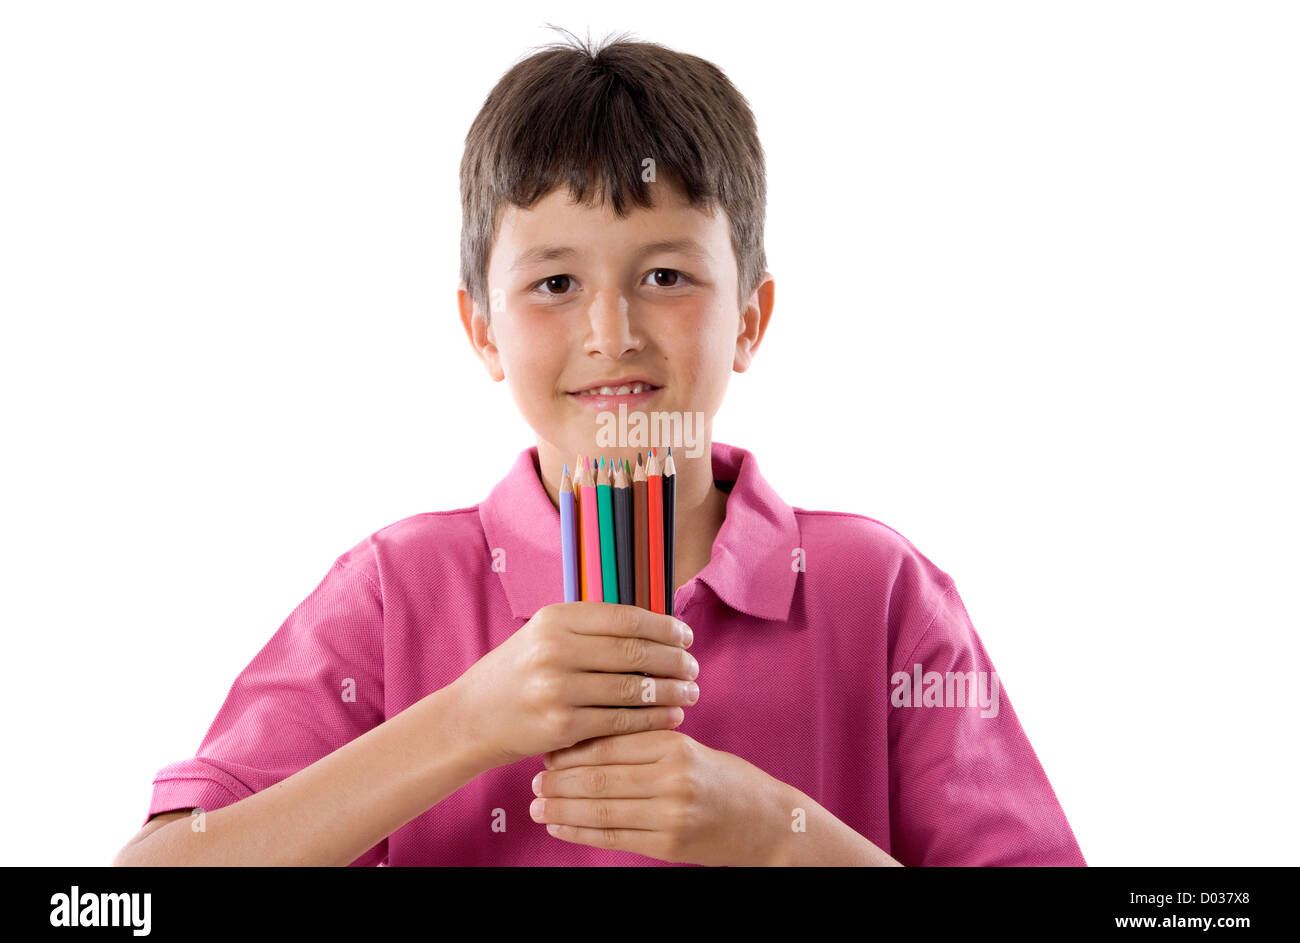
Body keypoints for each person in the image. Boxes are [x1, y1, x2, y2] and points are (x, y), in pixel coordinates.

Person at [113, 28, 1085, 867]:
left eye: (666, 274)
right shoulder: (392, 588)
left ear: (751, 316)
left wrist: (781, 833)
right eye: (553, 284)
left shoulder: (875, 589)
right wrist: (465, 721)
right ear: (481, 328)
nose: (612, 329)